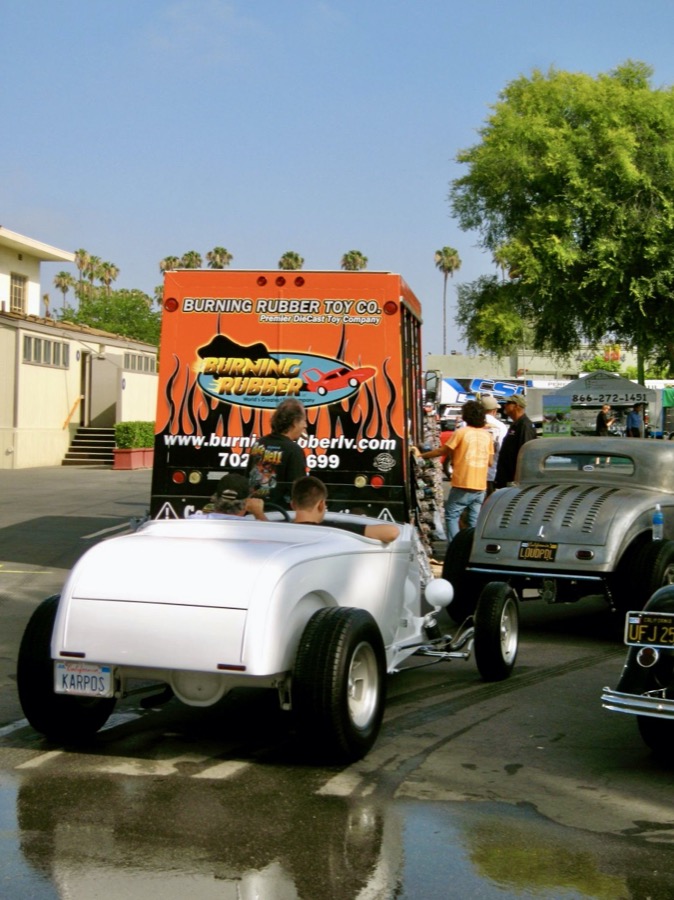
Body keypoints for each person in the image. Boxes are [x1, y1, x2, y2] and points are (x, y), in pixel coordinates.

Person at [416, 400, 494, 540]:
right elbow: (490, 462)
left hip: (463, 483)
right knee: (474, 520)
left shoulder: (461, 433)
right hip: (481, 486)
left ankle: (455, 547)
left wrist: (421, 456)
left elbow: (442, 451)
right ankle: (472, 548)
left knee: (452, 516)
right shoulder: (487, 436)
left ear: (466, 416)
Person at [291, 475, 400, 543]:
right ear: (321, 505)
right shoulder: (336, 530)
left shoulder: (281, 527)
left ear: (293, 505)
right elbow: (392, 532)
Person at [247, 398, 308, 506]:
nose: (305, 426)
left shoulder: (259, 443)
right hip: (280, 512)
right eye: (304, 420)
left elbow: (247, 479)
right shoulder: (294, 450)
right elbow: (298, 491)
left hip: (253, 509)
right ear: (294, 422)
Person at [493, 394, 537, 490]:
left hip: (515, 481)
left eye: (508, 403)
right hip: (506, 478)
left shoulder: (524, 425)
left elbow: (525, 454)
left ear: (516, 406)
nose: (505, 405)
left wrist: (517, 480)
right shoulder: (515, 424)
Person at [196, 473, 267, 520]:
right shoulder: (252, 528)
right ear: (247, 502)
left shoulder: (193, 522)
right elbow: (269, 536)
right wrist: (259, 514)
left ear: (214, 498)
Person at [479, 394, 508, 495]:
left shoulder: (467, 424)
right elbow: (502, 449)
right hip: (491, 473)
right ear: (494, 410)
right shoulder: (501, 427)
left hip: (471, 474)